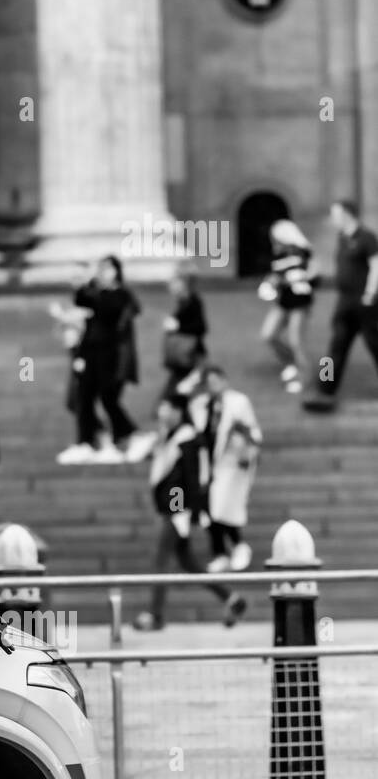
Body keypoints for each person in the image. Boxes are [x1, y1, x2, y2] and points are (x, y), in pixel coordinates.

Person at [132, 394, 244, 631]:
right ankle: (231, 599)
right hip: (173, 509)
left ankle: (156, 615)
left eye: (166, 407)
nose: (162, 412)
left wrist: (180, 510)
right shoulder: (170, 436)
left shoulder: (188, 439)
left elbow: (193, 478)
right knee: (189, 562)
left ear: (178, 411)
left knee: (161, 560)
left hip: (177, 510)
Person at [58, 255, 152, 465]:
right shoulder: (99, 293)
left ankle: (125, 436)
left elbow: (107, 310)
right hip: (91, 353)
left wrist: (92, 287)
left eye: (107, 269)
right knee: (84, 397)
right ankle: (91, 441)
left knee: (106, 398)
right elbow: (83, 300)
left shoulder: (118, 295)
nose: (103, 273)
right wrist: (82, 285)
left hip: (109, 356)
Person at [304, 200, 378, 412]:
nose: (332, 218)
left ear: (347, 214)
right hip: (345, 302)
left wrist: (370, 293)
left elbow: (376, 266)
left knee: (375, 345)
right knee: (335, 348)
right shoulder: (342, 238)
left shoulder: (367, 237)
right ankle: (324, 391)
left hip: (364, 302)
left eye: (335, 214)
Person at [190, 365, 261, 574]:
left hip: (231, 462)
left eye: (215, 381)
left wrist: (243, 443)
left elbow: (253, 432)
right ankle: (220, 552)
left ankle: (239, 546)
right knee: (209, 510)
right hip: (206, 463)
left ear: (224, 380)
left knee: (221, 507)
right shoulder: (199, 404)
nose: (212, 387)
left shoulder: (238, 402)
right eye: (208, 383)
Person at [257, 219, 315, 395]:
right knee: (268, 334)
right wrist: (269, 285)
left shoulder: (303, 253)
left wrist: (297, 278)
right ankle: (291, 363)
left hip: (300, 304)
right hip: (282, 303)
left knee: (296, 341)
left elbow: (311, 275)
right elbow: (274, 276)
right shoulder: (277, 256)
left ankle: (305, 378)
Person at [162, 268, 207, 397]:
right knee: (176, 393)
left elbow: (201, 327)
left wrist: (177, 327)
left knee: (183, 393)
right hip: (183, 356)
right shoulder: (183, 302)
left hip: (192, 355)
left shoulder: (193, 302)